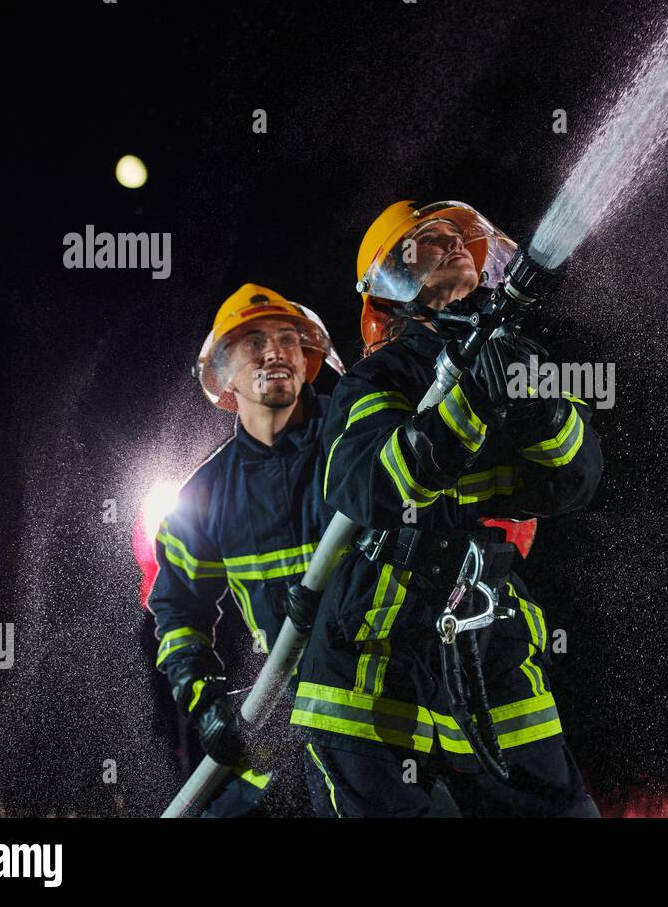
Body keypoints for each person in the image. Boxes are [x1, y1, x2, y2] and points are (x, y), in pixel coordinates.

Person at [291, 200, 603, 816]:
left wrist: (536, 406)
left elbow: (576, 478)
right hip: (372, 647)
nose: (455, 246)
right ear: (391, 290)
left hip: (490, 633)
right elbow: (366, 486)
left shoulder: (519, 361)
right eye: (429, 244)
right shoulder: (376, 380)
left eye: (458, 239)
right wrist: (464, 408)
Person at [148, 283, 344, 816]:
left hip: (379, 701)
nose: (275, 351)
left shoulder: (354, 438)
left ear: (307, 363)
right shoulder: (206, 494)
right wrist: (205, 701)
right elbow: (177, 608)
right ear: (223, 376)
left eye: (287, 339)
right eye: (253, 343)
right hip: (282, 713)